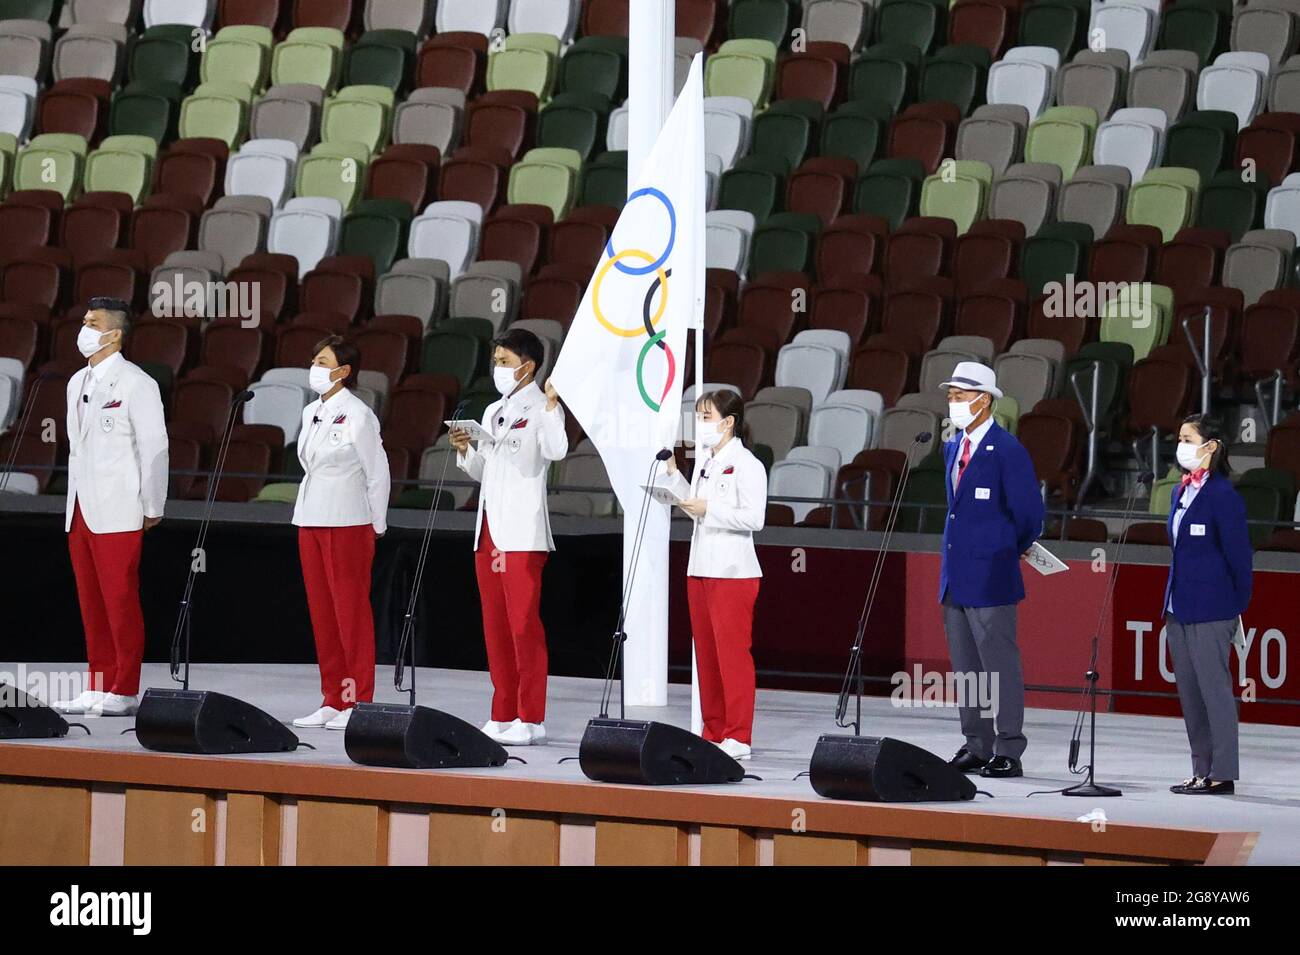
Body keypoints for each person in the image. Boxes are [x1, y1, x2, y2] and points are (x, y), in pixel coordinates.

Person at [53, 297, 168, 718]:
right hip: (82, 507)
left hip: (121, 506)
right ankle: (98, 681)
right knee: (91, 601)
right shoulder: (74, 382)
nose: (83, 327)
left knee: (120, 599)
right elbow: (75, 449)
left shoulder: (137, 383)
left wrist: (153, 504)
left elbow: (155, 448)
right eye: (83, 319)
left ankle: (124, 687)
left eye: (93, 321)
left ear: (114, 333)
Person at [451, 329, 567, 746]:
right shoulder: (493, 411)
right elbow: (485, 470)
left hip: (521, 533)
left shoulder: (541, 407)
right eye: (495, 360)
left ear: (527, 365)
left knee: (522, 627)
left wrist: (554, 407)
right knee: (495, 627)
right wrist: (466, 450)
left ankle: (531, 716)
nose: (497, 368)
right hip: (488, 531)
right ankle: (502, 713)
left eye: (503, 361)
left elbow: (556, 451)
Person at [937, 361, 1044, 778]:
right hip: (956, 575)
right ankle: (976, 744)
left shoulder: (1008, 451)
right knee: (967, 668)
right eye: (950, 396)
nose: (954, 403)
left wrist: (1001, 550)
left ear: (984, 401)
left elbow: (1029, 516)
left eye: (961, 397)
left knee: (999, 666)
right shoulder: (951, 447)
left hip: (992, 575)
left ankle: (1009, 747)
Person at [291, 336, 390, 732]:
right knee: (323, 614)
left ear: (343, 371)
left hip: (348, 522)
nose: (314, 366)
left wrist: (376, 523)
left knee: (350, 614)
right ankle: (333, 697)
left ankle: (357, 698)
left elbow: (377, 471)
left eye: (322, 360)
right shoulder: (311, 411)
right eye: (314, 358)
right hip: (311, 518)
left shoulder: (358, 415)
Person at [662, 390, 766, 760]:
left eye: (706, 416)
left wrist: (711, 507)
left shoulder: (748, 464)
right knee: (705, 655)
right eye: (699, 416)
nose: (700, 424)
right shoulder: (706, 460)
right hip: (700, 568)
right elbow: (695, 508)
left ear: (728, 422)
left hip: (733, 572)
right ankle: (714, 728)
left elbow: (755, 518)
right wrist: (674, 478)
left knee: (732, 655)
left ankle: (738, 734)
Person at [1163, 414, 1252, 795]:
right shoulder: (1179, 492)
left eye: (1187, 438)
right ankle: (1201, 769)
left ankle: (1223, 772)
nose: (1180, 445)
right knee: (1190, 693)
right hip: (1177, 606)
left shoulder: (1223, 496)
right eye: (1179, 438)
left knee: (1215, 691)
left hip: (1213, 608)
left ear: (1210, 445)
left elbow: (1240, 558)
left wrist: (1233, 607)